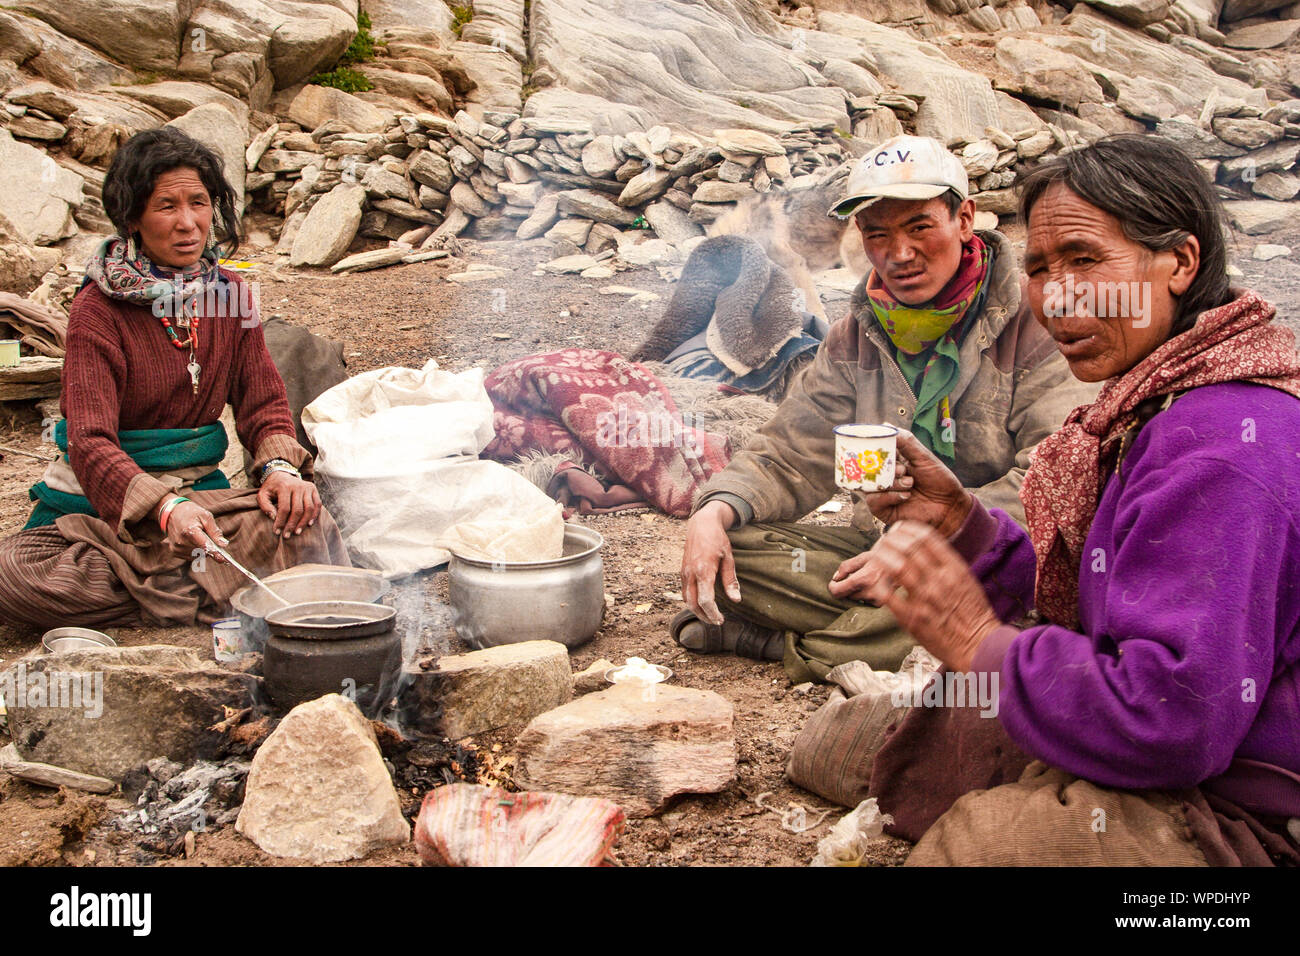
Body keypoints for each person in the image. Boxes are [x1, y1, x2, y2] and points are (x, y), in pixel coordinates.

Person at [823, 134, 1300, 865]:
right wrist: (964, 525)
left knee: (980, 849)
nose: (1059, 297)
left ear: (1180, 261)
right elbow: (1106, 592)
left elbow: (1174, 723)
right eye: (1042, 269)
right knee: (851, 750)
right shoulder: (1146, 399)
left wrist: (979, 643)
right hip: (1150, 729)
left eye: (1083, 260)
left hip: (1241, 803)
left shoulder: (1225, 445)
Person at [673, 135, 1099, 683]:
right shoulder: (856, 335)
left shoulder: (1036, 321)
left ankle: (787, 645)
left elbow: (1050, 482)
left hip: (994, 558)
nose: (899, 254)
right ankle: (868, 634)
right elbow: (791, 451)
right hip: (877, 554)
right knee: (731, 548)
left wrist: (929, 537)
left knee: (1003, 611)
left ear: (964, 219)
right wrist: (714, 510)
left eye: (920, 227)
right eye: (878, 234)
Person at [0, 127, 348, 630]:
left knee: (308, 525)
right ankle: (217, 586)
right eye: (166, 206)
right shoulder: (97, 310)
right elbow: (90, 440)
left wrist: (279, 469)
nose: (188, 224)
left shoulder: (230, 296)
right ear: (133, 218)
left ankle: (179, 583)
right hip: (104, 507)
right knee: (14, 575)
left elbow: (264, 402)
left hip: (203, 498)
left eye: (199, 203)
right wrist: (164, 508)